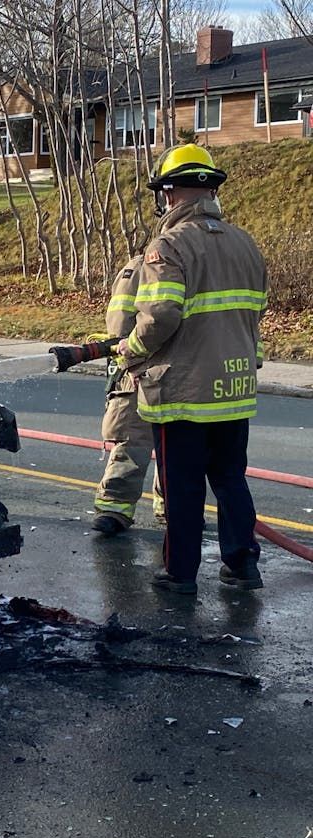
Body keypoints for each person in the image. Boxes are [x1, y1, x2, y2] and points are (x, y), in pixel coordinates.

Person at [117, 144, 267, 594]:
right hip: (235, 388)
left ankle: (179, 573)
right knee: (229, 479)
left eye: (165, 193)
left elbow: (161, 315)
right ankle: (242, 566)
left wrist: (132, 350)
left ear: (171, 193)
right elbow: (253, 313)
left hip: (182, 390)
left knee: (181, 487)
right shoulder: (245, 243)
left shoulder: (168, 245)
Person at [91, 254, 165, 535]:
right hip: (139, 368)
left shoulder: (184, 260)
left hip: (172, 370)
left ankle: (170, 506)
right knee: (132, 440)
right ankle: (114, 508)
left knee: (177, 443)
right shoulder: (144, 266)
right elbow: (122, 321)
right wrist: (131, 358)